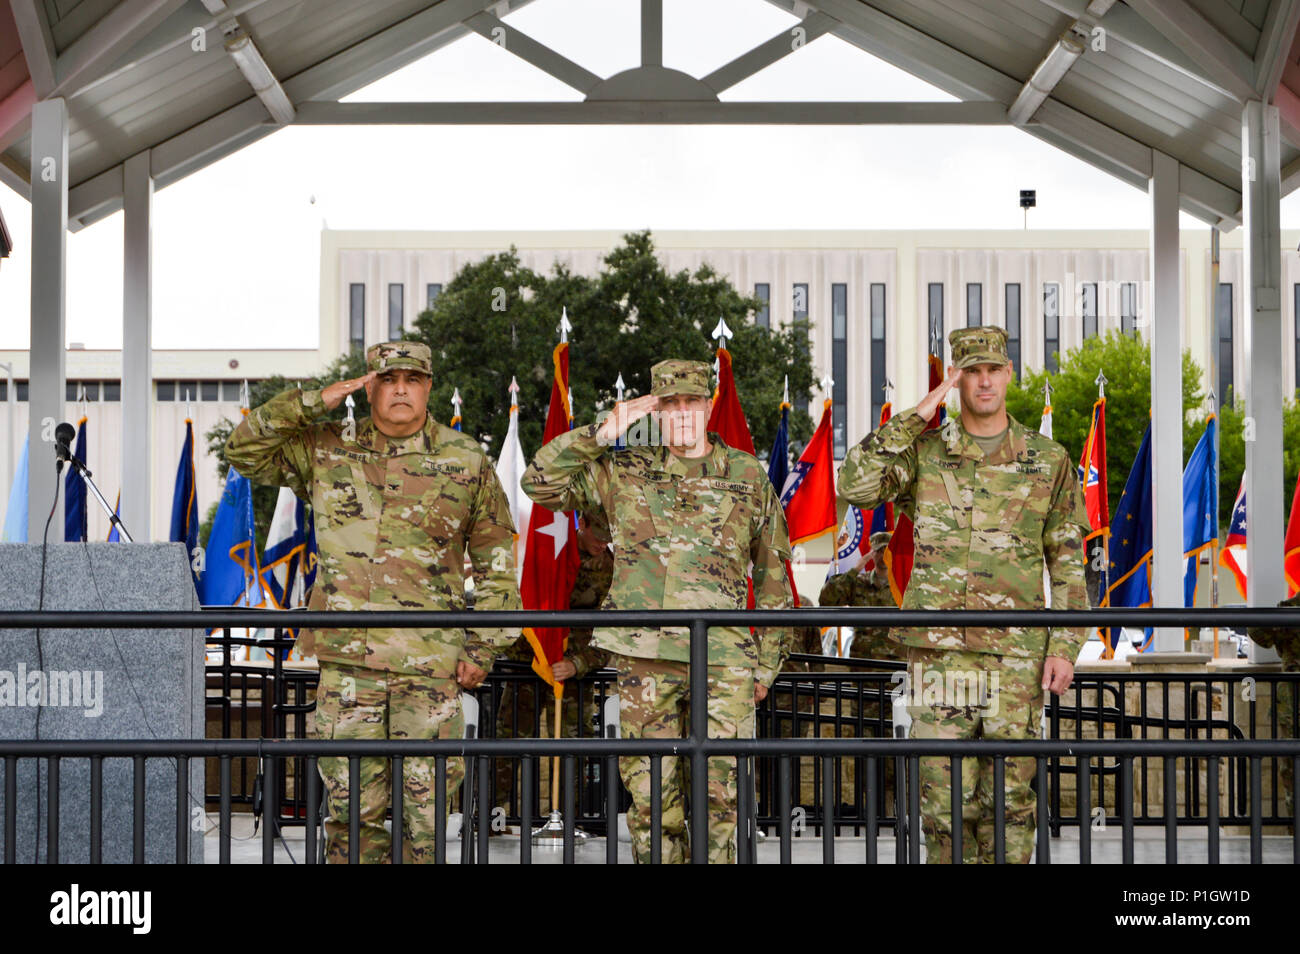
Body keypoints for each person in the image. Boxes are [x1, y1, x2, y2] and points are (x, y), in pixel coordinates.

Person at [225, 341, 521, 863]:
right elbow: (243, 450)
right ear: (369, 386)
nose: (401, 388)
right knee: (349, 818)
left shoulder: (465, 460)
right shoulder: (324, 447)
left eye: (413, 378)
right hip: (348, 670)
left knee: (425, 822)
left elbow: (497, 558)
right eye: (388, 379)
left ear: (429, 385)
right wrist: (314, 401)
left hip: (429, 669)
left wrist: (484, 648)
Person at [522, 358, 794, 864]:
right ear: (654, 412)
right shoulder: (623, 469)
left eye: (692, 402)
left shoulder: (747, 474)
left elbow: (775, 575)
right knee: (651, 800)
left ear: (709, 405)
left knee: (723, 799)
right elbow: (538, 483)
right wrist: (604, 431)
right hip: (644, 659)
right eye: (669, 405)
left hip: (724, 661)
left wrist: (767, 662)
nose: (683, 414)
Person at [836, 326, 1090, 864]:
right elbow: (852, 485)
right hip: (940, 655)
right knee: (942, 804)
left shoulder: (1048, 460)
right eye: (970, 371)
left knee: (1012, 802)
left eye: (993, 369)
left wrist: (1065, 647)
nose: (983, 381)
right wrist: (918, 413)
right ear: (956, 380)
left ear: (1008, 374)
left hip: (1015, 656)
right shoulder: (925, 453)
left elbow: (1067, 562)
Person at [494, 511, 614, 813]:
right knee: (507, 743)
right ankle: (490, 818)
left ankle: (571, 822)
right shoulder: (548, 542)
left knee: (576, 748)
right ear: (581, 524)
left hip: (574, 667)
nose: (603, 544)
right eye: (599, 537)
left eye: (609, 539)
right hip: (530, 658)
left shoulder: (610, 567)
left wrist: (580, 663)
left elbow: (615, 630)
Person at [1248, 590, 1300, 820]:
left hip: (1292, 707)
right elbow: (1258, 632)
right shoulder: (1291, 610)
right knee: (1292, 773)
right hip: (1292, 707)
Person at [819, 530, 900, 661]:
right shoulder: (859, 582)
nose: (883, 555)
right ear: (872, 554)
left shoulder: (903, 585)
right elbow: (827, 600)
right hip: (863, 662)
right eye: (879, 551)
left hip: (895, 661)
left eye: (888, 550)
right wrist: (854, 570)